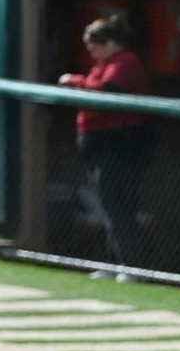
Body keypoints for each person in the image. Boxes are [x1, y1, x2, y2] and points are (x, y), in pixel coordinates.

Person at [58, 15, 154, 276]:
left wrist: (74, 81)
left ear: (111, 42)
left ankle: (131, 267)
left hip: (120, 145)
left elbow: (106, 90)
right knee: (109, 204)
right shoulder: (104, 63)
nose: (91, 52)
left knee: (119, 203)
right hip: (100, 144)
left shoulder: (125, 61)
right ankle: (114, 265)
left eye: (95, 46)